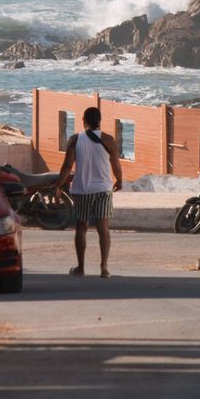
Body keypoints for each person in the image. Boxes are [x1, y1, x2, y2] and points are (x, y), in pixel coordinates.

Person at [55, 106, 123, 278]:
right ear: (100, 121)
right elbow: (116, 164)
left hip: (82, 190)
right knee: (103, 229)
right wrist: (120, 180)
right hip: (103, 190)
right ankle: (104, 267)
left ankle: (80, 267)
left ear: (83, 120)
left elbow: (67, 166)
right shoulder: (108, 140)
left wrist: (57, 186)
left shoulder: (75, 140)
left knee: (81, 227)